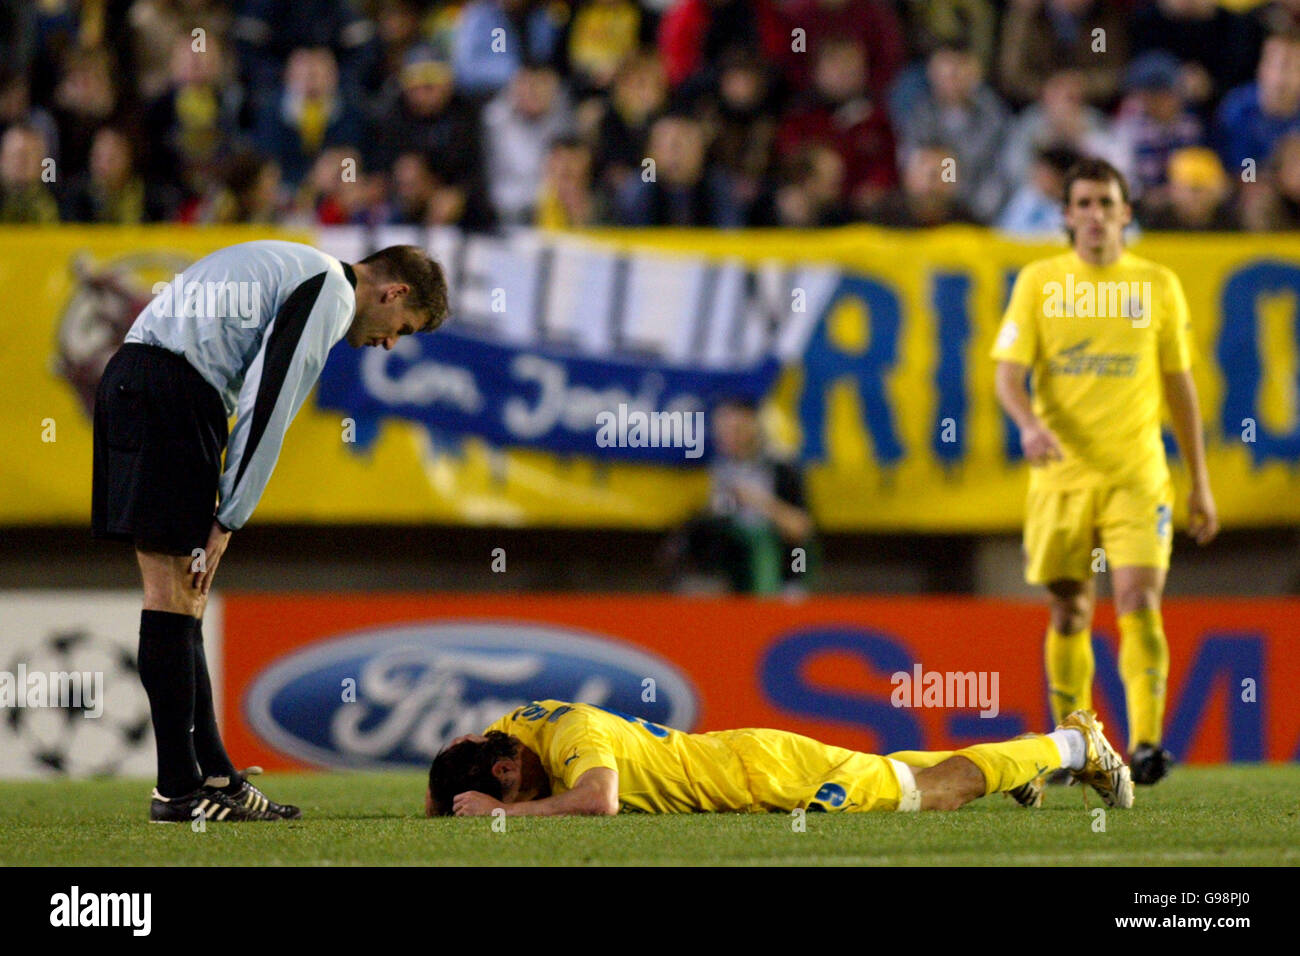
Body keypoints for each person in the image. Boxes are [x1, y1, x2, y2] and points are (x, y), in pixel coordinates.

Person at [92, 241, 449, 822]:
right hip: (171, 394)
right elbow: (270, 402)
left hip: (139, 380)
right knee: (173, 593)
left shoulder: (298, 265)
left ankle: (213, 776)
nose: (388, 342)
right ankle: (177, 790)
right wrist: (228, 518)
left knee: (184, 598)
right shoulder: (331, 292)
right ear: (394, 292)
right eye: (401, 329)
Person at [991, 158, 1219, 787]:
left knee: (1138, 601)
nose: (1095, 215)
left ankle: (1146, 745)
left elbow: (1181, 389)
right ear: (1065, 215)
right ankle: (1075, 742)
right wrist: (1027, 424)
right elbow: (1007, 374)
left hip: (1137, 475)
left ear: (1127, 212)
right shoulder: (1039, 282)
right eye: (1083, 203)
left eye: (1106, 203)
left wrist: (1199, 481)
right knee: (1069, 612)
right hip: (1061, 477)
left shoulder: (1157, 285)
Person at [426, 699, 1133, 816]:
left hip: (768, 778)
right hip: (751, 756)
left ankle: (1078, 742)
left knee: (929, 793)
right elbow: (452, 769)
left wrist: (505, 820)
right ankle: (1026, 758)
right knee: (897, 771)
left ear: (507, 771)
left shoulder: (578, 738)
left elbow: (599, 801)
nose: (521, 802)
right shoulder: (509, 730)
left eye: (513, 795)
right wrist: (445, 802)